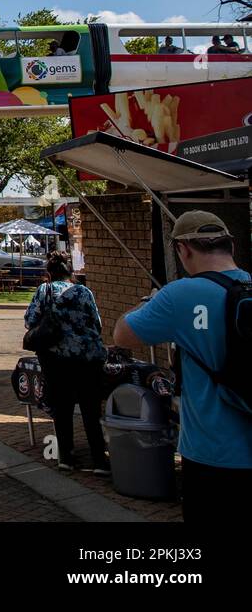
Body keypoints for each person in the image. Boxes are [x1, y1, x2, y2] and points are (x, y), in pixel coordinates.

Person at [114, 211, 252, 522]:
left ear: (183, 249)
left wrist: (148, 302)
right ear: (230, 244)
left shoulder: (179, 295)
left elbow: (122, 334)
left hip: (212, 454)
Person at [24, 252, 109, 474]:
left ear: (49, 273)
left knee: (62, 410)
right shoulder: (84, 291)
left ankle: (66, 457)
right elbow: (97, 323)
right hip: (89, 358)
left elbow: (30, 320)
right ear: (69, 271)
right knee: (91, 410)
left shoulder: (45, 290)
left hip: (58, 360)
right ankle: (99, 459)